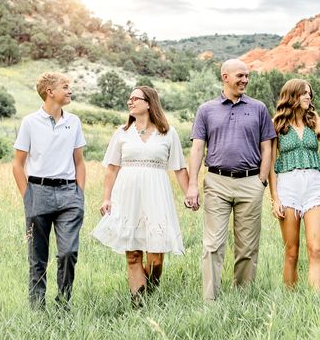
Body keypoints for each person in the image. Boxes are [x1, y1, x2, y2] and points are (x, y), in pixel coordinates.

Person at [186, 59, 276, 302]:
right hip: (216, 182)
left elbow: (267, 147)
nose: (245, 80)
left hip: (250, 183)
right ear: (225, 77)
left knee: (247, 247)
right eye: (240, 75)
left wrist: (262, 181)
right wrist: (192, 185)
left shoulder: (259, 108)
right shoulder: (206, 109)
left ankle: (242, 298)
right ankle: (210, 301)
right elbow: (197, 149)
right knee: (212, 244)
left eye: (247, 76)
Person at [92, 86, 189, 306]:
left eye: (135, 98)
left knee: (156, 257)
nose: (130, 101)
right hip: (127, 195)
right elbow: (112, 169)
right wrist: (106, 198)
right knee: (133, 253)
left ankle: (151, 292)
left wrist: (190, 194)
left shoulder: (167, 132)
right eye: (129, 98)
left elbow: (179, 168)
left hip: (156, 194)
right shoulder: (122, 132)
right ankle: (139, 303)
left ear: (149, 102)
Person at [269, 79, 320, 291]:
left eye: (309, 94)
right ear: (292, 96)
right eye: (304, 94)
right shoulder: (276, 125)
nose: (308, 97)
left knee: (315, 249)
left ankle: (315, 300)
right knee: (291, 252)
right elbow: (270, 165)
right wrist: (275, 198)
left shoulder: (316, 122)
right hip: (287, 188)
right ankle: (291, 299)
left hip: (313, 187)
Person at [11, 72, 87, 308]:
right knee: (37, 257)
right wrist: (28, 196)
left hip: (68, 195)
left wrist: (79, 194)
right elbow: (17, 164)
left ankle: (63, 303)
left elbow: (80, 162)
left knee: (68, 253)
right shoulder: (30, 122)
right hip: (38, 192)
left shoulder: (73, 121)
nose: (70, 90)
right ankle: (37, 308)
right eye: (65, 87)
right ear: (49, 92)